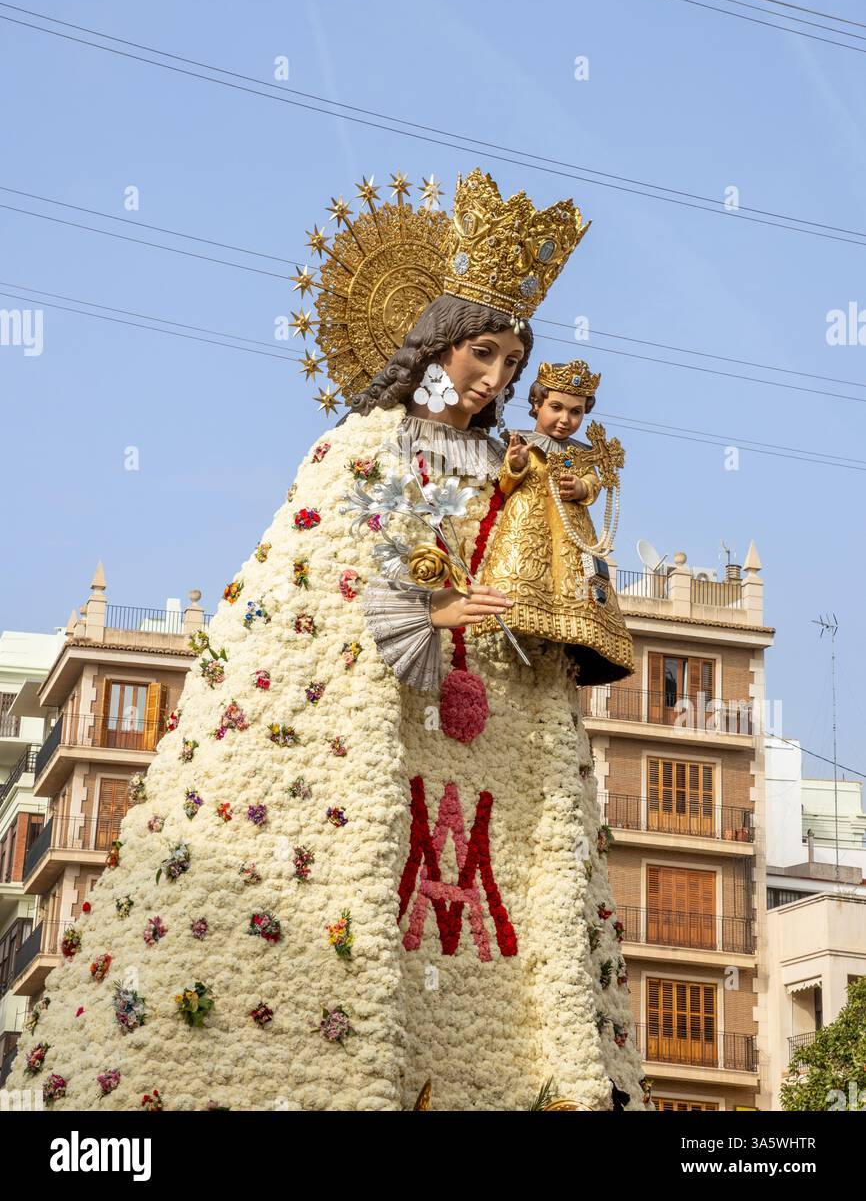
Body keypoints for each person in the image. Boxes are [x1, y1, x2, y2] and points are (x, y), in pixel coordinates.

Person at [7, 170, 647, 1111]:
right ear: (433, 345)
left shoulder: (510, 470)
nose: (496, 381)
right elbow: (317, 594)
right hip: (373, 740)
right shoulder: (358, 449)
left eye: (512, 365)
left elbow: (536, 577)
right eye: (482, 353)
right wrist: (431, 619)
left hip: (494, 756)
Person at [472, 359, 635, 685]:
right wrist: (515, 465)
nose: (565, 419)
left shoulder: (583, 453)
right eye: (557, 408)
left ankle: (565, 646)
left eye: (575, 412)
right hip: (527, 531)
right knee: (525, 582)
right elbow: (503, 486)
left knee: (574, 586)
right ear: (536, 405)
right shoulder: (521, 443)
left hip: (572, 535)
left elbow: (594, 483)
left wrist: (582, 487)